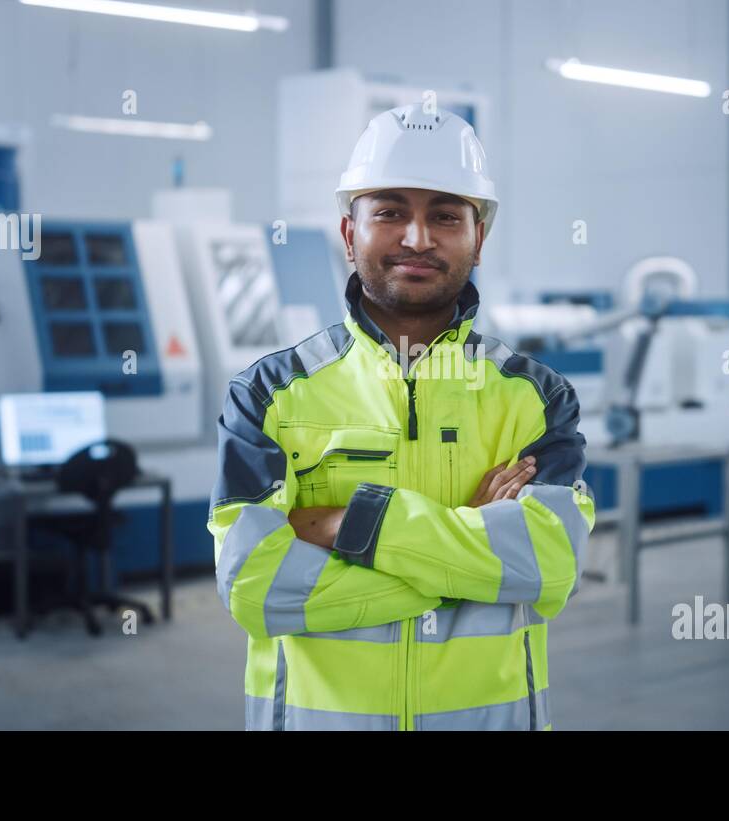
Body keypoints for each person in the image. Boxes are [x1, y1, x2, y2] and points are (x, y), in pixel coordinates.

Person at [209, 103, 595, 730]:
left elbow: (549, 567)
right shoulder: (269, 394)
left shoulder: (535, 397)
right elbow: (254, 586)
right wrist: (471, 552)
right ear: (348, 232)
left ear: (479, 237)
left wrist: (347, 522)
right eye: (389, 211)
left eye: (445, 215)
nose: (417, 238)